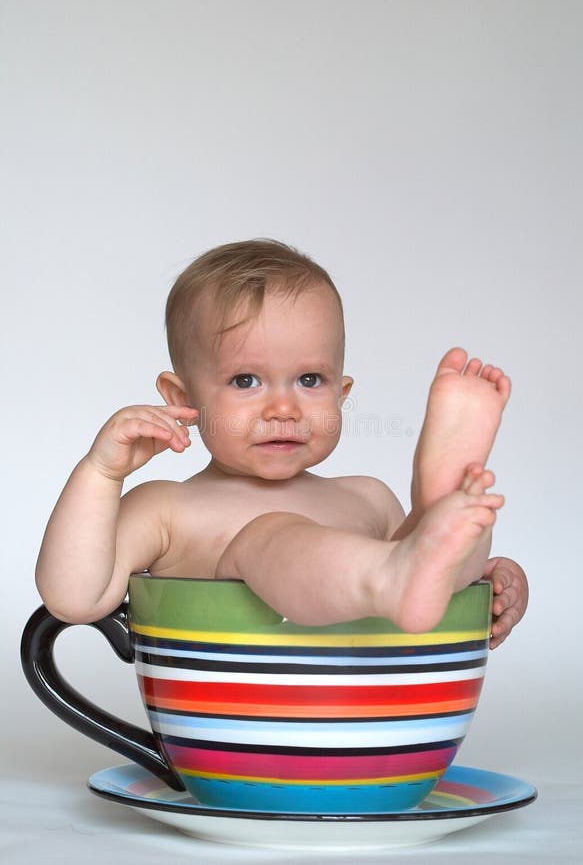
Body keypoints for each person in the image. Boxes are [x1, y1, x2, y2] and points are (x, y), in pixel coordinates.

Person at [36, 239, 528, 646]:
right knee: (266, 535)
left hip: (368, 712)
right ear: (182, 398)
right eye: (246, 381)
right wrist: (100, 473)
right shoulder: (165, 508)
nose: (284, 409)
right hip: (232, 719)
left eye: (310, 380)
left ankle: (443, 501)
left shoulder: (367, 498)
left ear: (343, 393)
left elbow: (420, 594)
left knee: (428, 545)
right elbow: (74, 597)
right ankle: (409, 549)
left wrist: (488, 582)